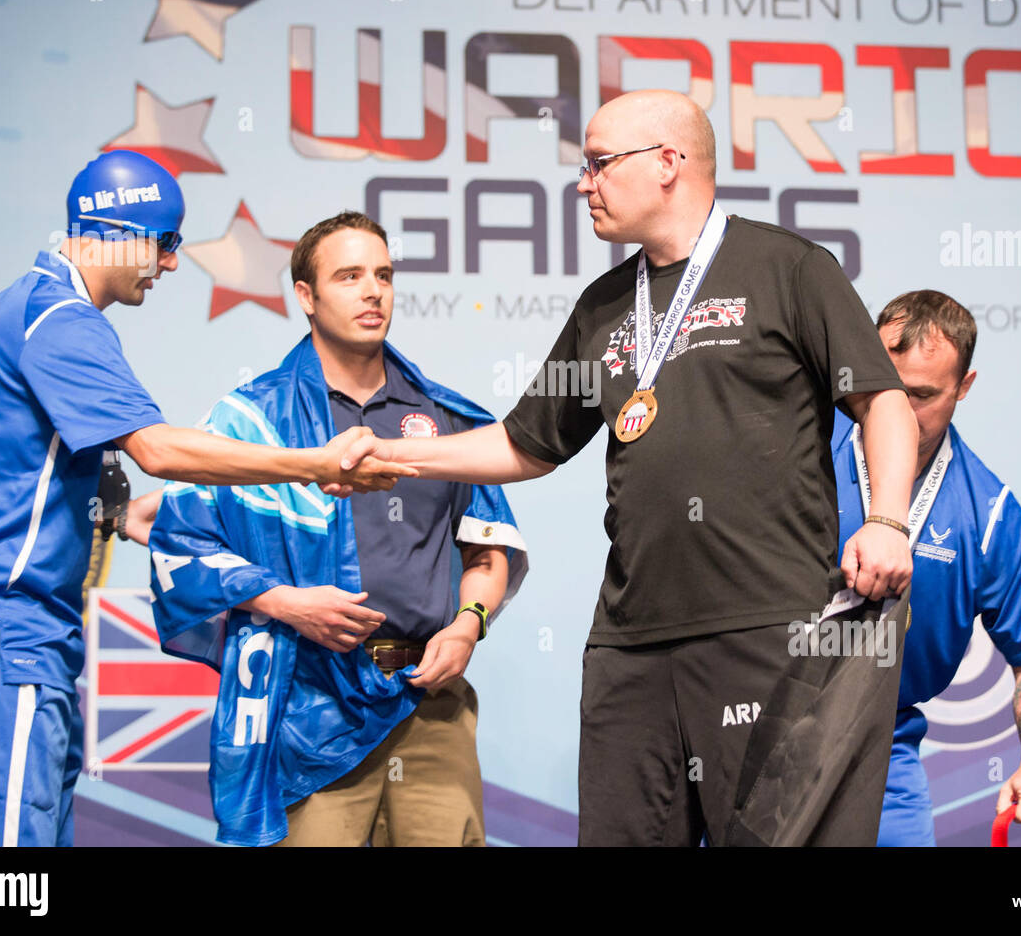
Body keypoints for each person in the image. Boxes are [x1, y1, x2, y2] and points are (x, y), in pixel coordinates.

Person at [337, 89, 920, 846]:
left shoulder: (789, 267)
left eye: (599, 164)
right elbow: (523, 445)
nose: (584, 184)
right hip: (630, 644)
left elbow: (885, 403)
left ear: (670, 163)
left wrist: (886, 521)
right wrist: (393, 454)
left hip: (769, 627)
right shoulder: (604, 305)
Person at [0, 152, 411, 848]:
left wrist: (117, 514)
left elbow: (25, 469)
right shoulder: (59, 318)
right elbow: (159, 450)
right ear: (119, 231)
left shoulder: (35, 310)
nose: (172, 264)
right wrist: (313, 463)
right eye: (166, 242)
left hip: (26, 647)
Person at [147, 211, 528, 846]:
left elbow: (489, 550)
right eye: (349, 276)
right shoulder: (250, 421)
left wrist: (469, 626)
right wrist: (286, 604)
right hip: (306, 708)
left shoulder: (447, 420)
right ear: (306, 296)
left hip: (430, 707)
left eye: (383, 274)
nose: (373, 291)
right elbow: (180, 544)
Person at [831, 289, 1021, 846]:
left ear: (964, 388)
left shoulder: (990, 517)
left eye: (921, 395)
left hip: (882, 754)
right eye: (884, 387)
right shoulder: (799, 449)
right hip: (753, 733)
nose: (897, 410)